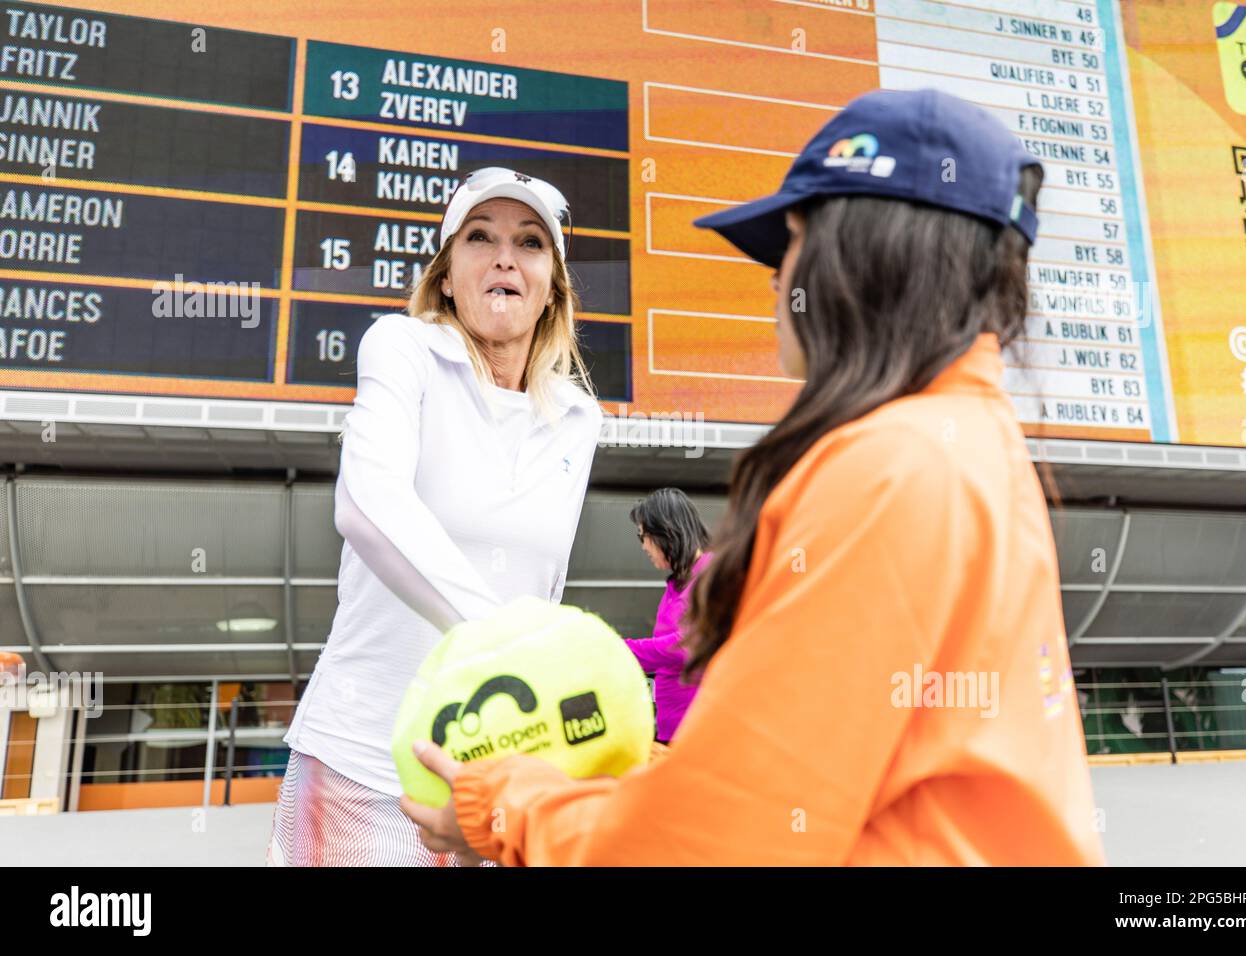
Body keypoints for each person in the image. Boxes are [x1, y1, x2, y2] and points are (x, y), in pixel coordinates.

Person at [400, 90, 1106, 865]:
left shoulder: (888, 470)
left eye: (792, 244)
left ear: (863, 253)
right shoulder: (973, 446)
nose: (778, 282)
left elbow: (730, 838)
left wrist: (504, 804)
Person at [268, 168, 603, 866]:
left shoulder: (578, 416)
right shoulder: (402, 347)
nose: (505, 256)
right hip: (363, 769)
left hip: (490, 779)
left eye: (530, 242)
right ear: (447, 277)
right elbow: (367, 503)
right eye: (480, 237)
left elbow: (544, 592)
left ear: (552, 288)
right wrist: (512, 647)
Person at [625, 488, 712, 744]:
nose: (643, 546)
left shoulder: (710, 573)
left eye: (644, 536)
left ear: (667, 531)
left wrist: (620, 651)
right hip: (670, 730)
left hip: (697, 732)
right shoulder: (676, 584)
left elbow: (690, 645)